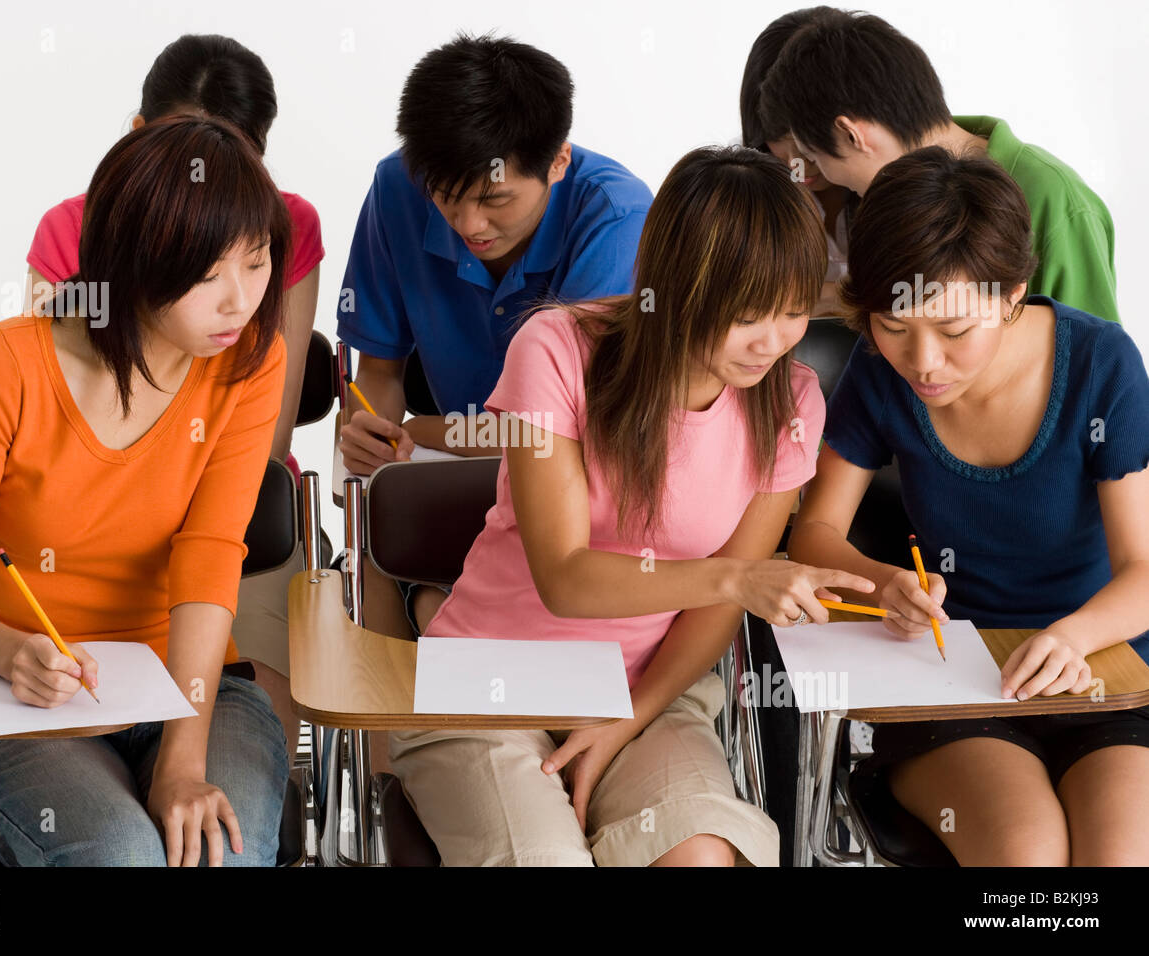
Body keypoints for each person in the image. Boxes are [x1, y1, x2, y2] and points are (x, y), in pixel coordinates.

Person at [389, 146, 876, 867]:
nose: (772, 341)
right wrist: (736, 578)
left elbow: (713, 614)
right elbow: (565, 576)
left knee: (705, 856)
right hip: (486, 688)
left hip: (647, 695)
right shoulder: (555, 349)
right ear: (677, 287)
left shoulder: (791, 399)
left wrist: (627, 720)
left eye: (794, 312)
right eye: (747, 316)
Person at [0, 116, 291, 866]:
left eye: (257, 260)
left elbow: (210, 555)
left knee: (223, 852)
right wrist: (13, 653)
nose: (239, 301)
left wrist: (182, 763)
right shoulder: (0, 367)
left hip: (191, 686)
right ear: (132, 263)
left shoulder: (249, 361)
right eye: (207, 274)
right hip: (25, 700)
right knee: (120, 853)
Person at [787, 147, 1149, 865]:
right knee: (1026, 856)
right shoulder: (876, 373)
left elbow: (1143, 568)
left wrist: (1071, 637)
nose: (922, 361)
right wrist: (884, 581)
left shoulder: (1103, 364)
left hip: (1100, 669)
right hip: (950, 679)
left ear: (1013, 292)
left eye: (954, 333)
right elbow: (815, 533)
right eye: (893, 326)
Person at [23, 36, 321, 743]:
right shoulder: (70, 229)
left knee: (259, 705)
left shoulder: (283, 228)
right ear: (138, 138)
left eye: (234, 155)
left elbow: (267, 426)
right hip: (94, 526)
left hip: (239, 509)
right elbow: (49, 409)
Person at [336, 31, 653, 641]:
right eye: (445, 198)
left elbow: (563, 433)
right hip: (444, 481)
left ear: (558, 161)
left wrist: (418, 433)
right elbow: (378, 371)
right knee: (368, 566)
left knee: (437, 602)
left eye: (495, 199)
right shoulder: (396, 188)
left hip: (574, 491)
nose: (468, 225)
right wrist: (368, 431)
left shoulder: (617, 217)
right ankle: (406, 727)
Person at [758, 8, 1119, 322]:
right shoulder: (903, 199)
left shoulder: (1055, 200)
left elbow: (1097, 369)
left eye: (816, 157)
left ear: (852, 135)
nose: (815, 173)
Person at [739, 7, 854, 316]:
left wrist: (827, 296)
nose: (796, 162)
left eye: (806, 143)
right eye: (776, 137)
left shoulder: (904, 185)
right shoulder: (738, 189)